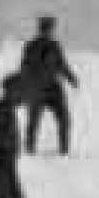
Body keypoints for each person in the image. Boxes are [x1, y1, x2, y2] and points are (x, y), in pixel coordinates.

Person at [18, 15, 79, 155]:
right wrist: (24, 87)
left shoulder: (54, 46)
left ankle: (64, 149)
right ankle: (30, 149)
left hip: (53, 88)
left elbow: (61, 65)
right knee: (33, 121)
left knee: (64, 118)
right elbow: (24, 68)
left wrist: (71, 78)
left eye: (49, 29)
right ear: (40, 29)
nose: (47, 32)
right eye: (45, 29)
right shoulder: (31, 46)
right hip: (37, 89)